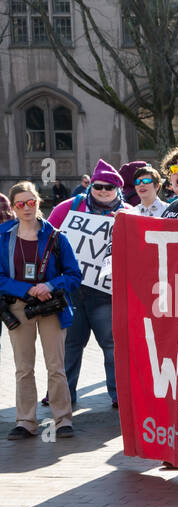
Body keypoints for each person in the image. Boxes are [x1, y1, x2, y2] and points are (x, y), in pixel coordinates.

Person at [1, 182, 83, 439]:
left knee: (55, 365)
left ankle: (63, 420)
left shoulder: (57, 237)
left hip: (51, 306)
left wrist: (49, 284)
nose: (27, 208)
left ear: (38, 202)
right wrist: (25, 290)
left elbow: (73, 275)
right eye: (20, 204)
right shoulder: (3, 236)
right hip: (18, 307)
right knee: (24, 367)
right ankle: (26, 421)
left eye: (31, 202)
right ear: (13, 208)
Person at [44, 159, 125, 411]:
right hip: (72, 290)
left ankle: (118, 395)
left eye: (108, 188)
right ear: (90, 186)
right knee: (70, 344)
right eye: (98, 186)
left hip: (106, 291)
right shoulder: (67, 207)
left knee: (112, 345)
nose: (102, 191)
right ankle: (62, 394)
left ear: (117, 190)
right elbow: (47, 239)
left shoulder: (128, 213)